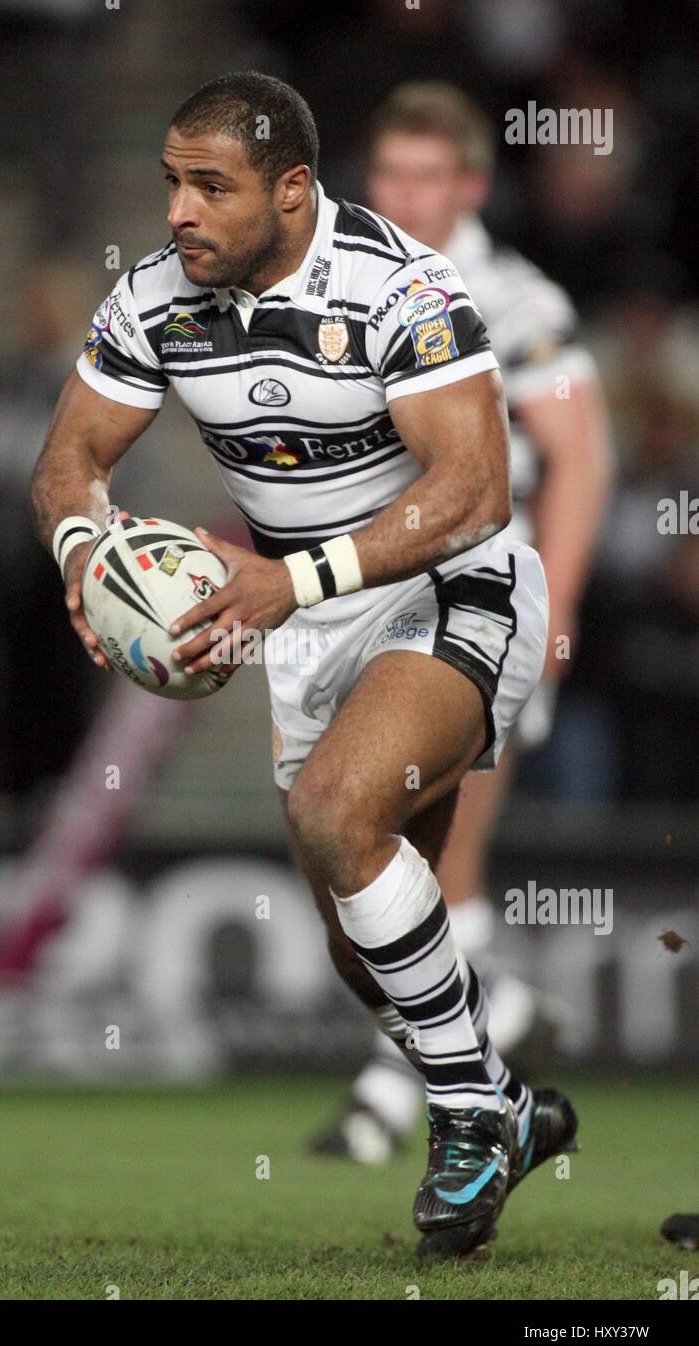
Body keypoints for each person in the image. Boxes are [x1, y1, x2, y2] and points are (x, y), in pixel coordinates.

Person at [31, 70, 577, 1258]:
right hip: (312, 619)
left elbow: (475, 491)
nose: (178, 212)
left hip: (451, 583)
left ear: (291, 189)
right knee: (356, 938)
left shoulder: (402, 289)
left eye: (208, 187)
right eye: (171, 182)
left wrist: (294, 579)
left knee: (336, 811)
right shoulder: (153, 301)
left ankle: (470, 1118)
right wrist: (91, 564)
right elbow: (68, 465)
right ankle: (504, 1101)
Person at [310, 82, 614, 1162]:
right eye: (387, 173)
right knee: (375, 849)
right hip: (369, 604)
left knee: (427, 856)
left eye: (425, 176)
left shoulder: (512, 297)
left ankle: (395, 1106)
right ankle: (497, 1020)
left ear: (471, 185)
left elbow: (577, 456)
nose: (402, 194)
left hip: (483, 600)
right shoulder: (340, 281)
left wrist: (562, 604)